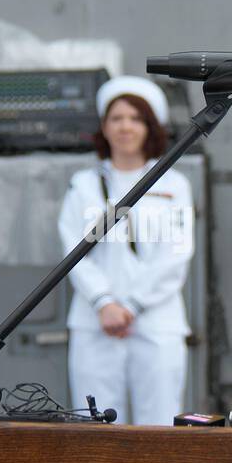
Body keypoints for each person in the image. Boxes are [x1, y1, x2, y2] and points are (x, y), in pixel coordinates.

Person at [58, 76, 194, 426]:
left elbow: (177, 253)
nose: (125, 127)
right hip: (95, 321)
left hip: (156, 320)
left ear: (150, 127)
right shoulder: (83, 185)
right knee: (95, 427)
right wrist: (104, 302)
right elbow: (73, 249)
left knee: (160, 422)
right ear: (103, 127)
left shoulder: (173, 184)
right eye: (116, 119)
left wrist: (131, 305)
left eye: (135, 119)